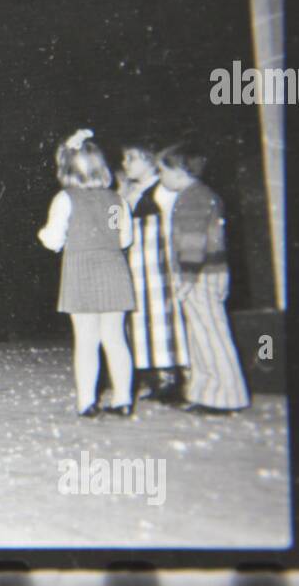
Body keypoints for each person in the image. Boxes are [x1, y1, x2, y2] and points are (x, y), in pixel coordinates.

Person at [37, 129, 136, 418]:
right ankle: (123, 399)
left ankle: (86, 402)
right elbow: (124, 239)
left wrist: (44, 234)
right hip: (113, 270)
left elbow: (53, 239)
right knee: (116, 338)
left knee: (86, 340)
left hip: (81, 270)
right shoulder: (117, 200)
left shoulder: (65, 199)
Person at [157, 143, 250, 413]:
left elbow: (192, 242)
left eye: (163, 171)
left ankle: (226, 397)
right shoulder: (201, 194)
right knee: (201, 335)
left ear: (179, 171)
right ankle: (206, 393)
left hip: (199, 276)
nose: (161, 178)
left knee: (210, 335)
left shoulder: (192, 198)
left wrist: (185, 277)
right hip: (209, 274)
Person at [121, 143, 188, 403]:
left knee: (164, 320)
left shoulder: (163, 189)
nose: (126, 164)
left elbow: (173, 225)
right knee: (140, 320)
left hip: (159, 265)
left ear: (150, 161)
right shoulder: (127, 191)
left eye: (132, 158)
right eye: (124, 159)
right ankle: (152, 377)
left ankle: (171, 379)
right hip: (136, 265)